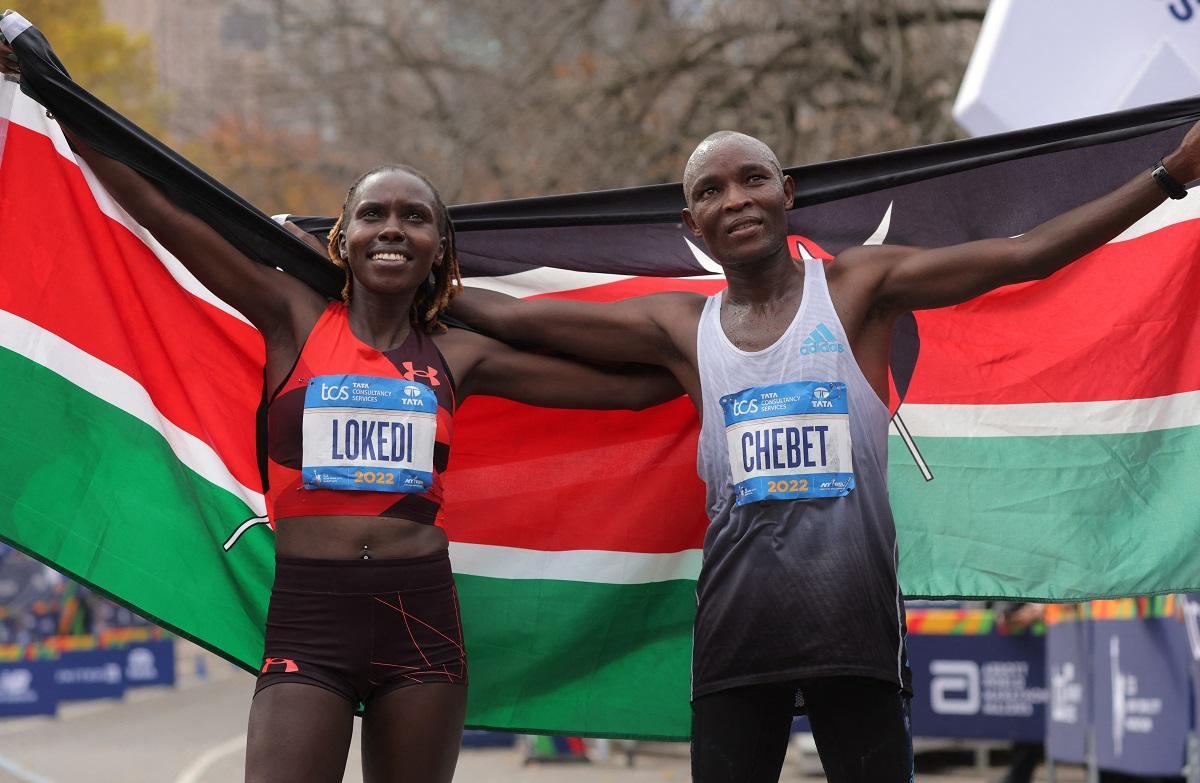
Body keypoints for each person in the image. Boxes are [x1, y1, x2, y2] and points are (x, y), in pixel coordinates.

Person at [0, 23, 681, 783]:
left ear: (438, 247)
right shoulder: (291, 316)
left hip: (419, 618)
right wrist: (55, 96)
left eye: (415, 217)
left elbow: (629, 391)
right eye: (374, 214)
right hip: (309, 615)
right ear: (343, 238)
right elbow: (166, 212)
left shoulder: (461, 355)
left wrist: (708, 357)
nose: (392, 227)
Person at [449, 127, 1200, 782]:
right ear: (692, 221)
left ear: (787, 192)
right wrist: (398, 279)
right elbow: (522, 323)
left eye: (753, 178)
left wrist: (1171, 175)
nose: (735, 197)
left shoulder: (857, 290)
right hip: (736, 636)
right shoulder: (683, 326)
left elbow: (1026, 255)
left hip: (856, 628)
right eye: (712, 190)